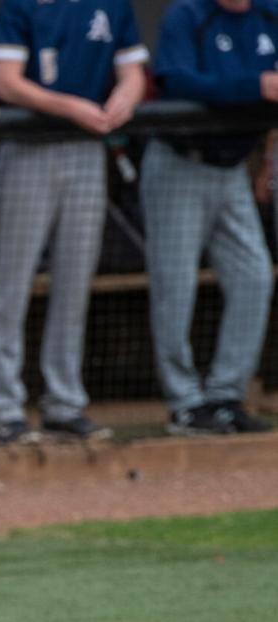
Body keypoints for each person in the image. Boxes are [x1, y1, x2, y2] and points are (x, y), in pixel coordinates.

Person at [0, 0, 148, 445]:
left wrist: (123, 100)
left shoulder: (113, 6)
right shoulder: (21, 6)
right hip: (30, 149)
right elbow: (7, 83)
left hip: (86, 152)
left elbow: (132, 71)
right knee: (11, 282)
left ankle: (64, 403)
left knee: (74, 281)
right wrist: (73, 107)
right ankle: (3, 406)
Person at [141, 0, 275, 436]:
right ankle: (184, 403)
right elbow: (176, 82)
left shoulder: (270, 14)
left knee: (255, 276)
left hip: (232, 169)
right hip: (180, 163)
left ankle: (225, 394)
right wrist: (253, 86)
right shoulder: (187, 15)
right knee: (174, 287)